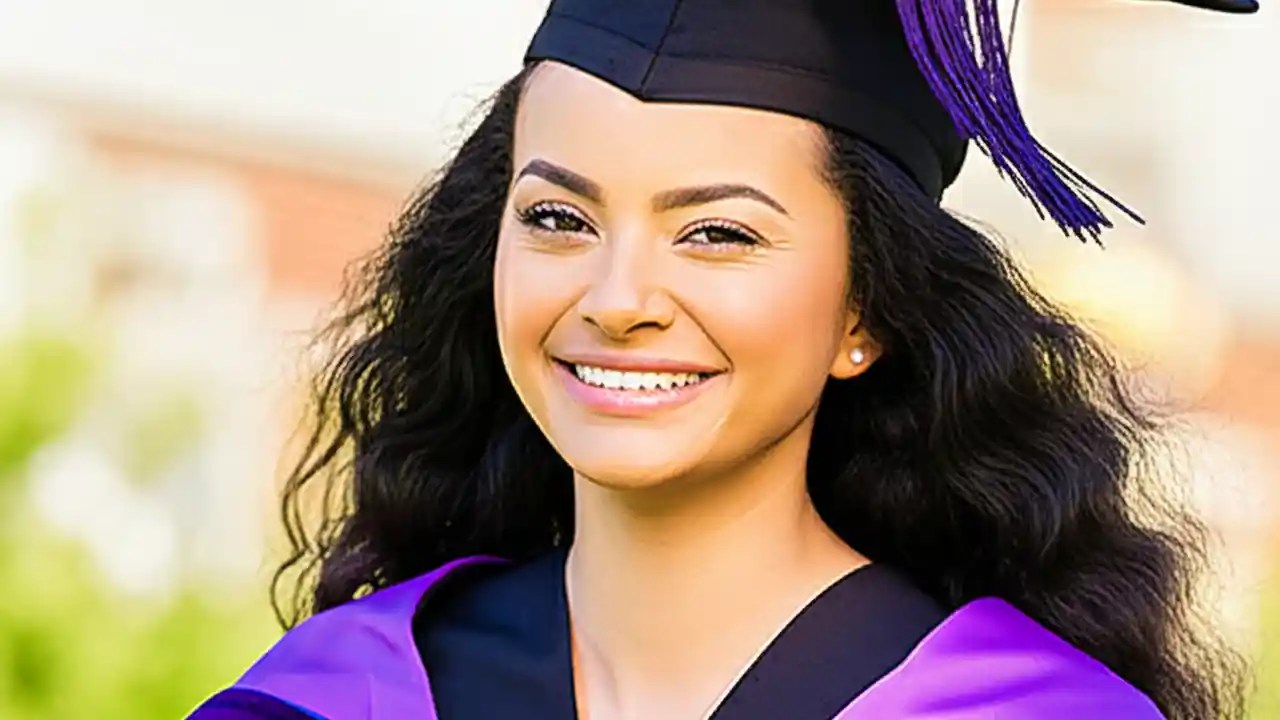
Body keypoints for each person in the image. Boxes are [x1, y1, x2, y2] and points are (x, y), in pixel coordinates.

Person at [188, 0, 1257, 718]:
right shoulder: (331, 699)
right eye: (557, 217)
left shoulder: (1014, 709)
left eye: (717, 234)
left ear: (864, 312)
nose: (615, 300)